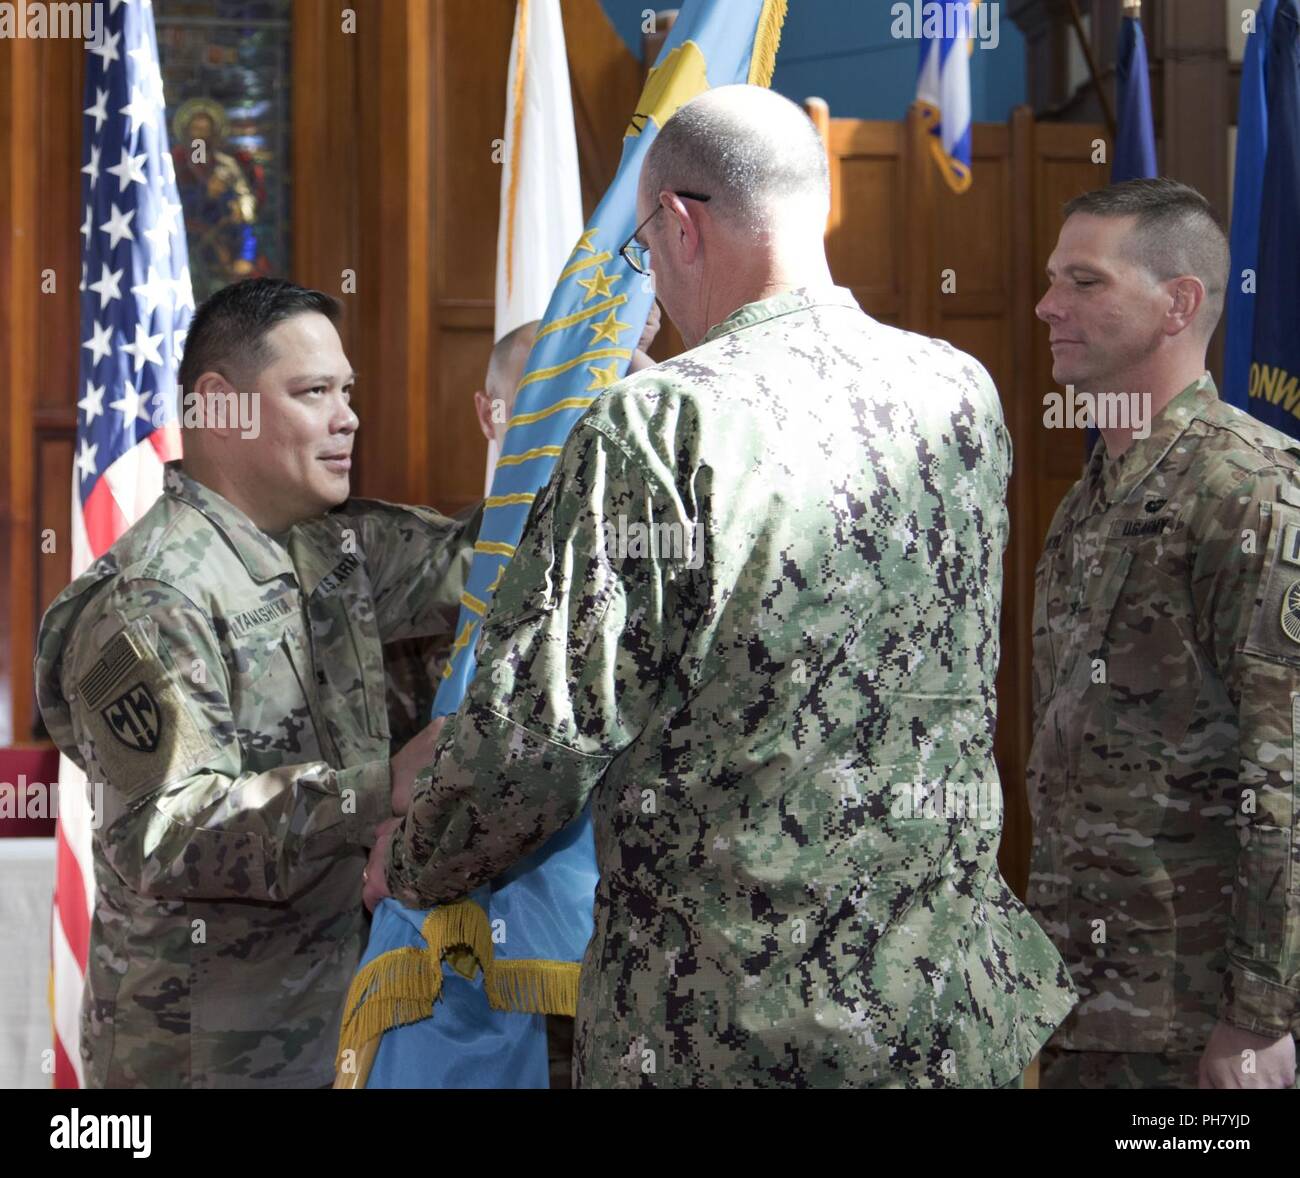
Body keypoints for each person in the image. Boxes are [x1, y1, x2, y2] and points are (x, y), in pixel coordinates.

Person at [364, 84, 1075, 1088]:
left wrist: (414, 854)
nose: (647, 278)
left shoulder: (656, 423)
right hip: (941, 1009)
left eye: (643, 246)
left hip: (728, 1023)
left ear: (682, 223)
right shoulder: (957, 390)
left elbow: (546, 732)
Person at [36, 278, 476, 1088]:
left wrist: (562, 404)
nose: (347, 417)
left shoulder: (332, 549)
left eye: (347, 392)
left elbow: (500, 562)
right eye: (314, 393)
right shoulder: (150, 598)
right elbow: (165, 833)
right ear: (221, 406)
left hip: (333, 1022)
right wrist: (379, 789)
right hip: (206, 1057)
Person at [1027, 178, 1300, 1089]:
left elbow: (1287, 771)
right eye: (1052, 280)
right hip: (1083, 1006)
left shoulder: (1247, 490)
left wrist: (1258, 1018)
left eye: (1084, 282)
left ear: (1178, 303)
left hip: (1193, 1028)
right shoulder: (1087, 500)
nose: (1047, 306)